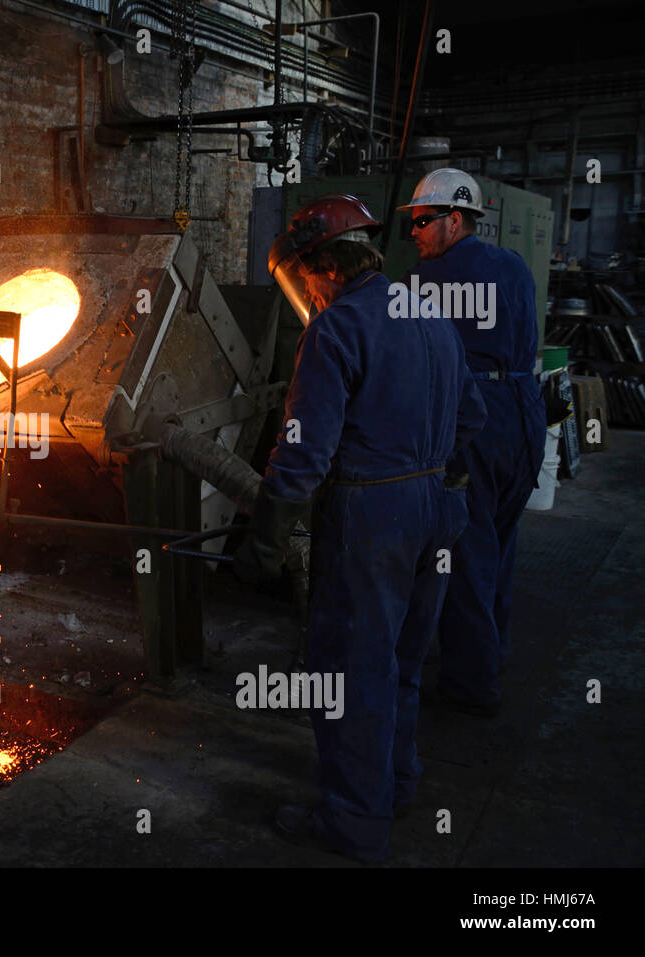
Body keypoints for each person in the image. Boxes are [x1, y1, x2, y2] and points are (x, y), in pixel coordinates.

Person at [234, 193, 486, 862]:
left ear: (322, 266)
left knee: (350, 672)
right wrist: (437, 484)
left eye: (301, 277)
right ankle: (396, 785)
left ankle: (353, 821)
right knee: (402, 660)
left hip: (373, 520)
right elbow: (473, 418)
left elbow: (303, 454)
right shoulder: (429, 315)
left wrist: (263, 540)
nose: (307, 292)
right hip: (438, 510)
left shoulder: (337, 328)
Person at [400, 169, 546, 716]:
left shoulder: (426, 281)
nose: (413, 232)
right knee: (499, 549)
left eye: (421, 221)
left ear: (454, 220)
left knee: (464, 557)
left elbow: (417, 363)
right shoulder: (512, 266)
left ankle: (471, 685)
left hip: (478, 422)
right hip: (524, 416)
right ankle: (493, 655)